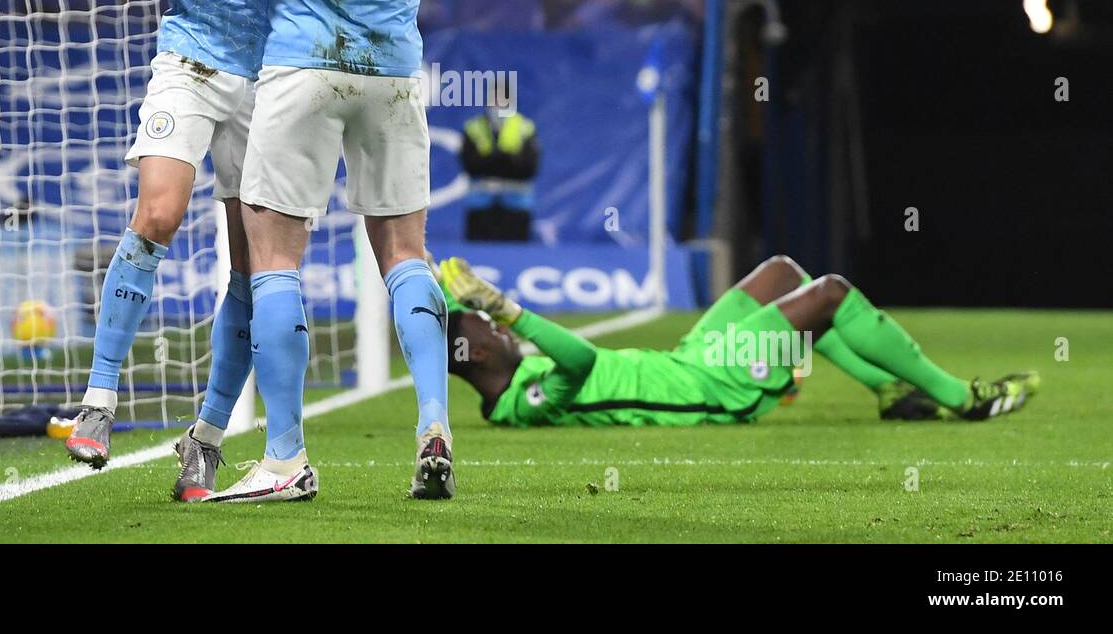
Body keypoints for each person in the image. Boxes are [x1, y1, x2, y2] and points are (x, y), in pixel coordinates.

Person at [101, 0, 456, 501]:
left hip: (299, 67)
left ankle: (287, 457)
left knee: (273, 261)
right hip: (394, 71)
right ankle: (432, 420)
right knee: (405, 257)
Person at [64, 0, 286, 485]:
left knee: (256, 266)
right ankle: (98, 400)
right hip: (190, 58)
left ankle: (209, 433)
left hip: (269, 78)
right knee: (157, 214)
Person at [439, 255, 1039, 428]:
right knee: (828, 294)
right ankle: (961, 397)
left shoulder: (514, 378)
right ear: (480, 353)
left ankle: (890, 389)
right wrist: (507, 308)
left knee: (781, 273)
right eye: (486, 328)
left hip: (688, 361)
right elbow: (584, 357)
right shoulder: (524, 401)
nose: (494, 326)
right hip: (715, 387)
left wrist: (477, 307)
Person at [459, 84, 538, 241]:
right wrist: (507, 159)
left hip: (515, 207)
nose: (496, 105)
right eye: (493, 100)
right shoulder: (473, 127)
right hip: (480, 207)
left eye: (501, 100)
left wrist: (490, 160)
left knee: (515, 254)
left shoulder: (525, 127)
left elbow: (529, 168)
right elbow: (470, 165)